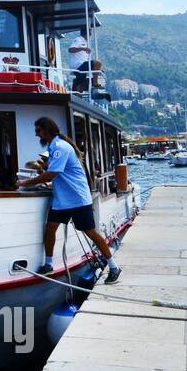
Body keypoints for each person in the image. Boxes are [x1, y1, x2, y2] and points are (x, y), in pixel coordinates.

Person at [18, 116, 120, 284]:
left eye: (38, 131)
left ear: (47, 130)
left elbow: (52, 173)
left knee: (91, 233)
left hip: (77, 199)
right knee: (50, 228)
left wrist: (25, 182)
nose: (37, 135)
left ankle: (114, 267)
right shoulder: (53, 147)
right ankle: (48, 264)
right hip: (62, 200)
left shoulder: (59, 147)